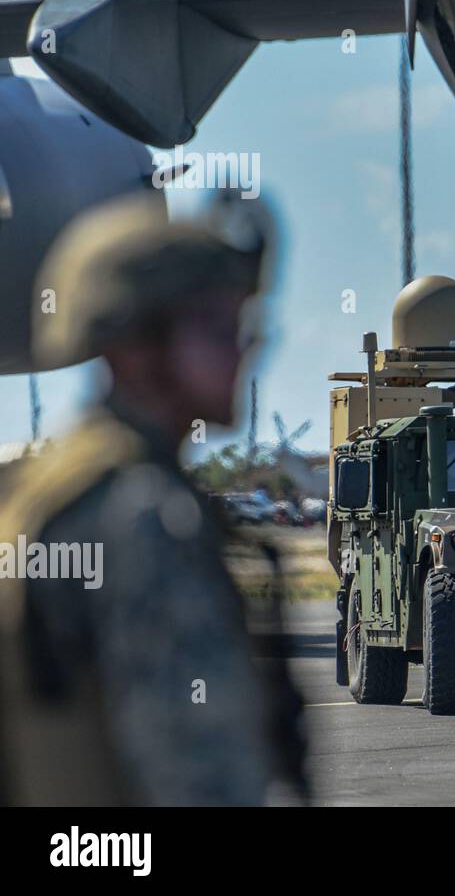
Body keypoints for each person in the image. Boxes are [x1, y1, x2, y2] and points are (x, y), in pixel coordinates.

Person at [0, 194, 307, 805]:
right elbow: (200, 775)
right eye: (218, 329)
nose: (245, 351)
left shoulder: (41, 487)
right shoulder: (145, 513)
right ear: (134, 349)